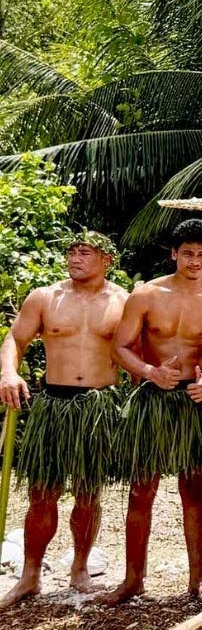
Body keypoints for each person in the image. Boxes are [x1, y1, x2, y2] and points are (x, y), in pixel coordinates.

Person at [102, 219, 202, 604]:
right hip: (153, 399)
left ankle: (197, 580)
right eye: (188, 253)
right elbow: (120, 347)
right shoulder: (146, 295)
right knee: (141, 489)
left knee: (193, 490)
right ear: (174, 253)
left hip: (195, 401)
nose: (195, 261)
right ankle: (133, 580)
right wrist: (149, 372)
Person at [0, 232, 128, 607]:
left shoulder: (123, 301)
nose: (75, 257)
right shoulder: (45, 297)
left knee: (88, 492)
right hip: (53, 402)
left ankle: (81, 566)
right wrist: (9, 373)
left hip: (99, 405)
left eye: (84, 252)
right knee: (42, 493)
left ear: (107, 259)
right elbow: (15, 339)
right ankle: (30, 575)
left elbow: (137, 349)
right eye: (71, 250)